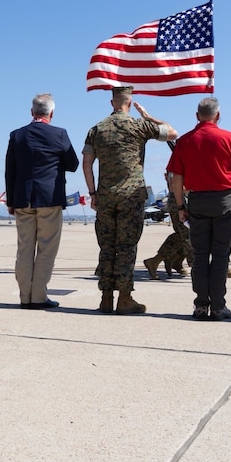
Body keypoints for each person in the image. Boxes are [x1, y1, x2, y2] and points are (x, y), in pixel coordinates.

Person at [83, 86, 177, 314]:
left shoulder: (96, 129)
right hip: (131, 197)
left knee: (106, 246)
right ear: (129, 103)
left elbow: (87, 163)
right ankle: (124, 298)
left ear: (112, 102)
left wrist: (93, 193)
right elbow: (173, 133)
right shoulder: (139, 126)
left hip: (105, 197)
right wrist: (148, 117)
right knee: (126, 246)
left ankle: (106, 298)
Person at [168, 97, 231, 321]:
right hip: (224, 201)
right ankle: (219, 306)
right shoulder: (230, 138)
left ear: (197, 116)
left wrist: (180, 206)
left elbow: (176, 178)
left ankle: (201, 305)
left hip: (197, 202)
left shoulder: (185, 141)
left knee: (200, 255)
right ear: (218, 116)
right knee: (221, 255)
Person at [5, 94, 79, 309]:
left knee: (24, 248)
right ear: (51, 113)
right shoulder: (59, 134)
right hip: (49, 198)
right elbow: (72, 164)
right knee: (46, 248)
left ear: (32, 112)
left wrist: (11, 200)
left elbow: (10, 171)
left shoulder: (17, 135)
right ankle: (38, 296)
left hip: (23, 198)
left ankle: (24, 295)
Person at [143, 172, 193, 279]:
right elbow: (173, 185)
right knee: (187, 235)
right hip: (178, 200)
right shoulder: (178, 161)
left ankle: (171, 260)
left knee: (182, 235)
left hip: (188, 199)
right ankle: (196, 266)